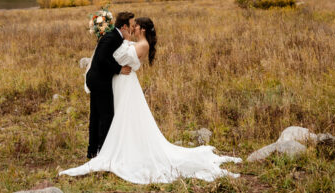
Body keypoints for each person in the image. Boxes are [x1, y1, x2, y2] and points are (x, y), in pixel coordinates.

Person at [61, 16, 241, 184]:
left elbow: (121, 56)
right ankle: (106, 148)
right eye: (132, 26)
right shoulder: (130, 41)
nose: (134, 28)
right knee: (114, 116)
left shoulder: (143, 45)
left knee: (123, 117)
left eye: (136, 27)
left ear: (143, 30)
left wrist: (110, 48)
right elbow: (115, 51)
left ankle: (119, 150)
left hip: (126, 82)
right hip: (119, 81)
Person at [84, 11, 135, 158]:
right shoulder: (113, 37)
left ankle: (92, 151)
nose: (133, 28)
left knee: (96, 116)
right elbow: (101, 59)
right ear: (124, 27)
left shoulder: (115, 35)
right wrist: (119, 69)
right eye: (131, 25)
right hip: (99, 81)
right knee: (106, 116)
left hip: (95, 79)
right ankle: (103, 152)